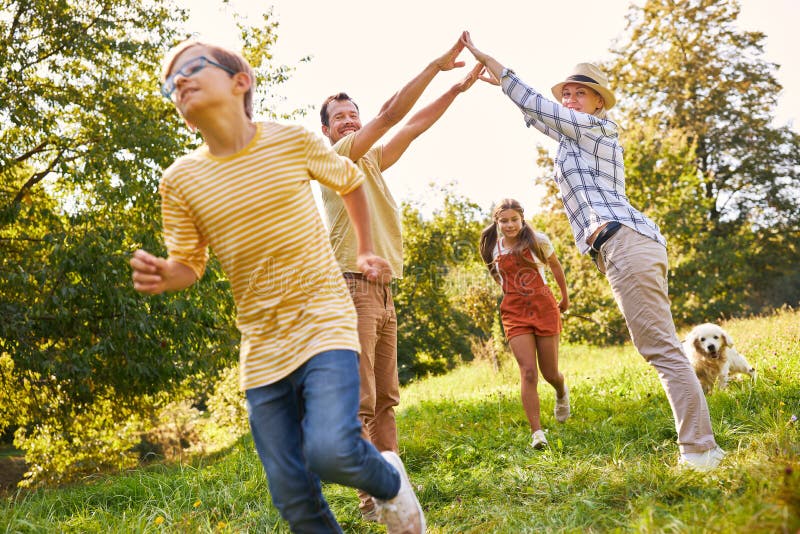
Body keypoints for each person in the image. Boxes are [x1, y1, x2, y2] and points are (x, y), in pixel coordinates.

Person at [130, 39, 426, 533]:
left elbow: (351, 181)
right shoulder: (180, 180)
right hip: (262, 349)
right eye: (170, 82)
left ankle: (388, 481)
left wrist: (365, 248)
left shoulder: (290, 141)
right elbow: (189, 264)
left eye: (193, 67)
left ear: (240, 82)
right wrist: (167, 274)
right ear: (183, 116)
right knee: (292, 494)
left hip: (326, 321)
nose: (179, 81)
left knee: (331, 450)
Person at [461, 31, 725, 471]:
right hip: (624, 247)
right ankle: (703, 446)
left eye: (579, 93)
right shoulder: (574, 138)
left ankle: (700, 450)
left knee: (662, 350)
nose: (569, 98)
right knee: (660, 347)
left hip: (626, 242)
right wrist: (506, 91)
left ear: (599, 101)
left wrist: (495, 65)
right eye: (565, 93)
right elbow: (539, 116)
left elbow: (537, 105)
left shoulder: (598, 128)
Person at [319, 38, 481, 520]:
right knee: (361, 401)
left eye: (354, 114)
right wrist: (434, 66)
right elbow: (391, 113)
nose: (350, 121)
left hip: (382, 293)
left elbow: (411, 125)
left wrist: (455, 90)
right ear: (328, 131)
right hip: (352, 287)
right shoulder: (339, 158)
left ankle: (392, 487)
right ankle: (370, 499)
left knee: (386, 400)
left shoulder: (371, 161)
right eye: (341, 117)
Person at [479, 199, 570, 449]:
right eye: (504, 221)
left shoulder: (538, 240)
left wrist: (564, 298)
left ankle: (561, 391)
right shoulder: (493, 248)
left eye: (514, 220)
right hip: (514, 311)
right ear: (497, 222)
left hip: (544, 307)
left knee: (550, 373)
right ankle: (537, 433)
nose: (509, 225)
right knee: (528, 372)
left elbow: (555, 267)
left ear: (522, 219)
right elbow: (496, 275)